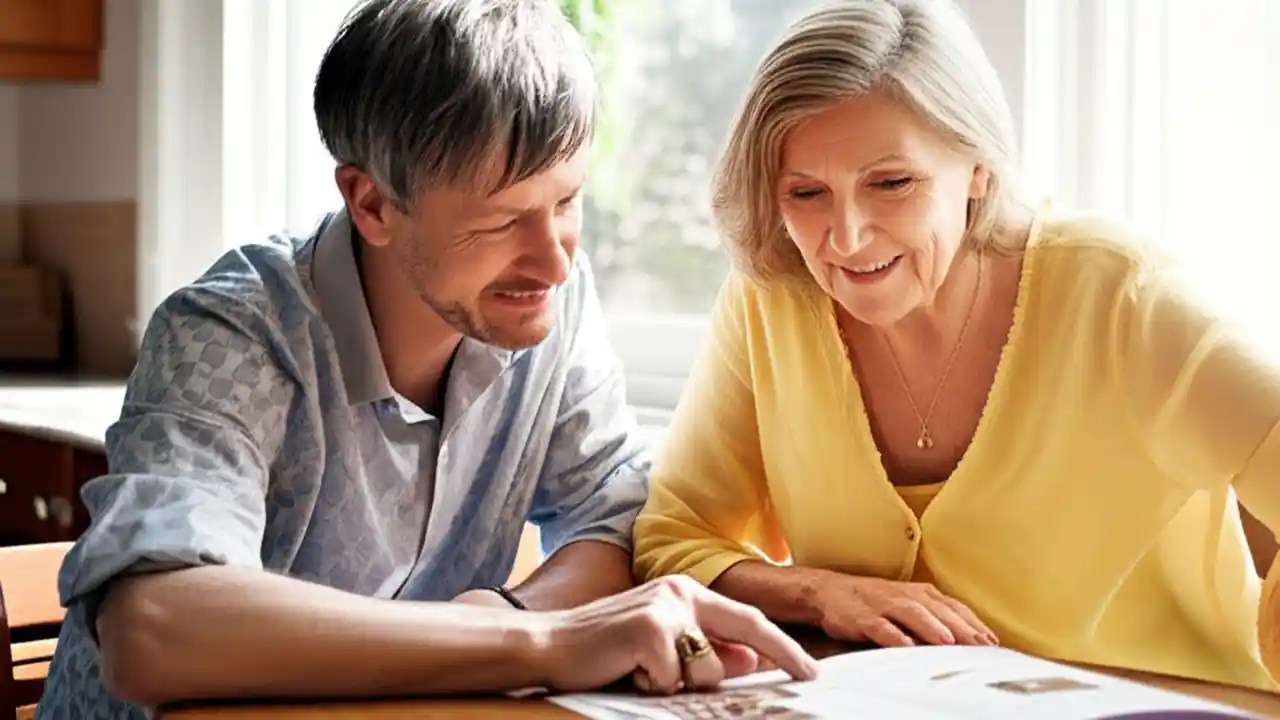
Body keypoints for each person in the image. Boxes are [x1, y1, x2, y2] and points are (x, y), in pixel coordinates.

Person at [35, 1, 817, 717]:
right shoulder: (230, 334)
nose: (553, 261)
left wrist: (511, 616)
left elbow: (613, 516)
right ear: (371, 203)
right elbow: (154, 629)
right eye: (505, 219)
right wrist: (542, 643)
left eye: (567, 203)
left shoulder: (548, 298)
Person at [633, 0, 1280, 692]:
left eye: (891, 183)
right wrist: (821, 592)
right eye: (807, 193)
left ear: (976, 166)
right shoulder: (771, 300)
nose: (845, 238)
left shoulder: (1122, 298)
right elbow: (673, 538)